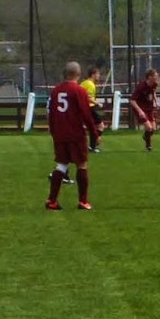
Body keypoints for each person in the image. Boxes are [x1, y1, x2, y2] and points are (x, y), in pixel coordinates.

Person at [46, 61, 100, 210]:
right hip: (75, 134)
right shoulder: (79, 91)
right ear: (79, 74)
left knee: (62, 164)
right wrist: (94, 133)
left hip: (60, 134)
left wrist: (53, 131)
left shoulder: (56, 91)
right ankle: (83, 201)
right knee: (81, 164)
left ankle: (52, 201)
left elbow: (51, 113)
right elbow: (86, 114)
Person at [129, 67, 160, 152]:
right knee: (149, 127)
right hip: (141, 108)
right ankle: (148, 146)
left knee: (153, 129)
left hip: (149, 108)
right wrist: (140, 111)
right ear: (150, 77)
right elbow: (132, 100)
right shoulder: (141, 86)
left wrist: (155, 101)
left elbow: (153, 92)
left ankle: (145, 136)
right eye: (155, 75)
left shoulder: (154, 84)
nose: (157, 77)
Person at [81, 64, 104, 153]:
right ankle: (93, 144)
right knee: (100, 126)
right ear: (93, 74)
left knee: (93, 127)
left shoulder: (85, 83)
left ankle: (92, 146)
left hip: (84, 108)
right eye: (98, 74)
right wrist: (97, 103)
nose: (99, 76)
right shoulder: (90, 84)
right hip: (89, 108)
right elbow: (88, 97)